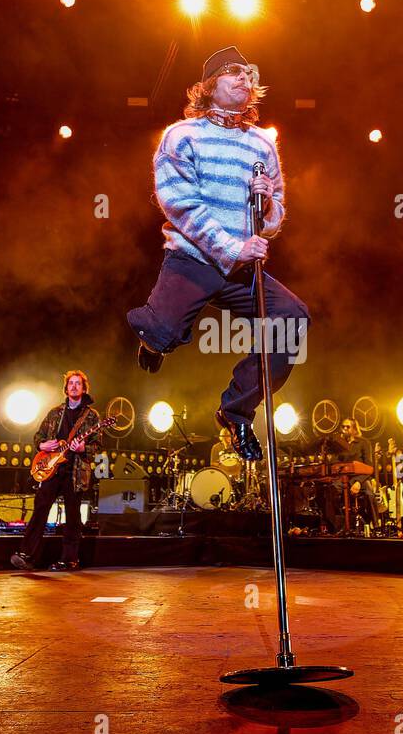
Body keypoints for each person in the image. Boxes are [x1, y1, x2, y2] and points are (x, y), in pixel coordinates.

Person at [127, 46, 309, 462]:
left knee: (292, 320)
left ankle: (236, 411)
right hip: (192, 260)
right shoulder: (182, 135)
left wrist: (265, 207)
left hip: (241, 269)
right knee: (164, 333)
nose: (244, 79)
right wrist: (230, 246)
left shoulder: (262, 143)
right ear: (208, 87)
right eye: (233, 73)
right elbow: (179, 202)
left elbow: (274, 215)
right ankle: (153, 339)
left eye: (249, 73)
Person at [10, 371, 101, 572]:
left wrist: (82, 448)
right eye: (71, 383)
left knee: (72, 516)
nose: (74, 386)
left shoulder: (92, 416)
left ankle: (69, 559)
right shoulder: (55, 413)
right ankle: (26, 555)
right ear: (66, 388)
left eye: (78, 384)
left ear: (84, 388)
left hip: (74, 472)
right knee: (40, 509)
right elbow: (38, 436)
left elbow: (98, 447)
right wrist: (43, 445)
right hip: (51, 469)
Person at [321, 418, 377, 533]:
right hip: (343, 479)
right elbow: (334, 464)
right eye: (343, 426)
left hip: (361, 477)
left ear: (354, 429)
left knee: (369, 493)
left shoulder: (363, 442)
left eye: (348, 427)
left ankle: (375, 525)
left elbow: (369, 467)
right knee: (329, 491)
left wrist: (358, 482)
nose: (344, 429)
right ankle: (336, 526)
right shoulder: (339, 445)